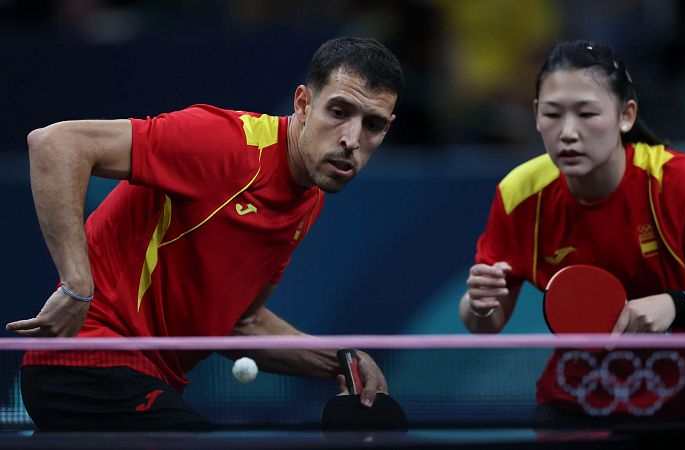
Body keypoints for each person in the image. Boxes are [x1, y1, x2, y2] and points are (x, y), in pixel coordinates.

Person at [6, 37, 403, 431]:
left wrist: (341, 358)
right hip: (85, 362)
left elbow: (241, 324)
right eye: (338, 111)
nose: (352, 139)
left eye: (373, 125)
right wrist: (77, 284)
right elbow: (56, 144)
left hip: (137, 379)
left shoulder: (309, 199)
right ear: (303, 103)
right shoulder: (225, 144)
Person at [460, 40, 685, 428]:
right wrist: (478, 304)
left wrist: (677, 306)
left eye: (587, 113)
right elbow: (487, 323)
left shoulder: (674, 184)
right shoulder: (519, 194)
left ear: (626, 116)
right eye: (553, 114)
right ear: (536, 116)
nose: (567, 132)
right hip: (576, 411)